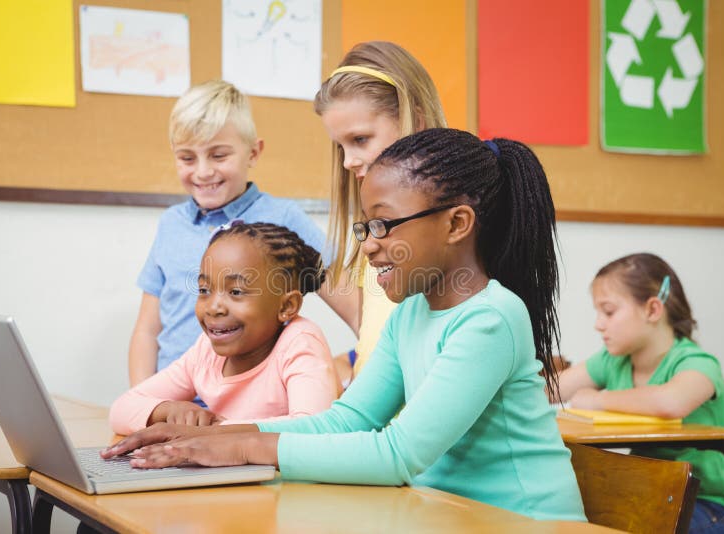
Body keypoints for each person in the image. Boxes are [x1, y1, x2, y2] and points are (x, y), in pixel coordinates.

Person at [103, 128, 584, 521]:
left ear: (457, 224)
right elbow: (348, 420)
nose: (369, 245)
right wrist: (211, 438)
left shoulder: (490, 318)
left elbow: (398, 453)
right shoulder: (411, 313)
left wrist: (244, 447)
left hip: (522, 522)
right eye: (365, 227)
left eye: (383, 224)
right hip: (446, 515)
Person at [129, 80, 332, 386]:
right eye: (187, 158)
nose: (202, 172)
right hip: (176, 397)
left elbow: (353, 302)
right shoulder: (171, 224)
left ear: (253, 153)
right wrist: (143, 399)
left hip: (254, 399)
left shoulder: (285, 217)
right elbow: (146, 329)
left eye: (219, 156)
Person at [556, 253, 724, 533]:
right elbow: (552, 389)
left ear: (652, 310)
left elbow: (670, 402)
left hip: (708, 504)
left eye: (609, 311)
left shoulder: (698, 363)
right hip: (643, 497)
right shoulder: (613, 360)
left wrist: (597, 400)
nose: (598, 324)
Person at [111, 222, 340, 434]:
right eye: (204, 290)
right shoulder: (205, 352)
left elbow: (314, 428)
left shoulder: (300, 343)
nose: (214, 307)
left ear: (287, 305)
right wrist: (168, 410)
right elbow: (121, 409)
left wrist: (214, 430)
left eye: (236, 292)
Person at [315, 41, 449, 382]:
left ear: (414, 121)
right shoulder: (373, 231)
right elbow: (378, 332)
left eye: (360, 140)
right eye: (341, 146)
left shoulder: (450, 234)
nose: (347, 161)